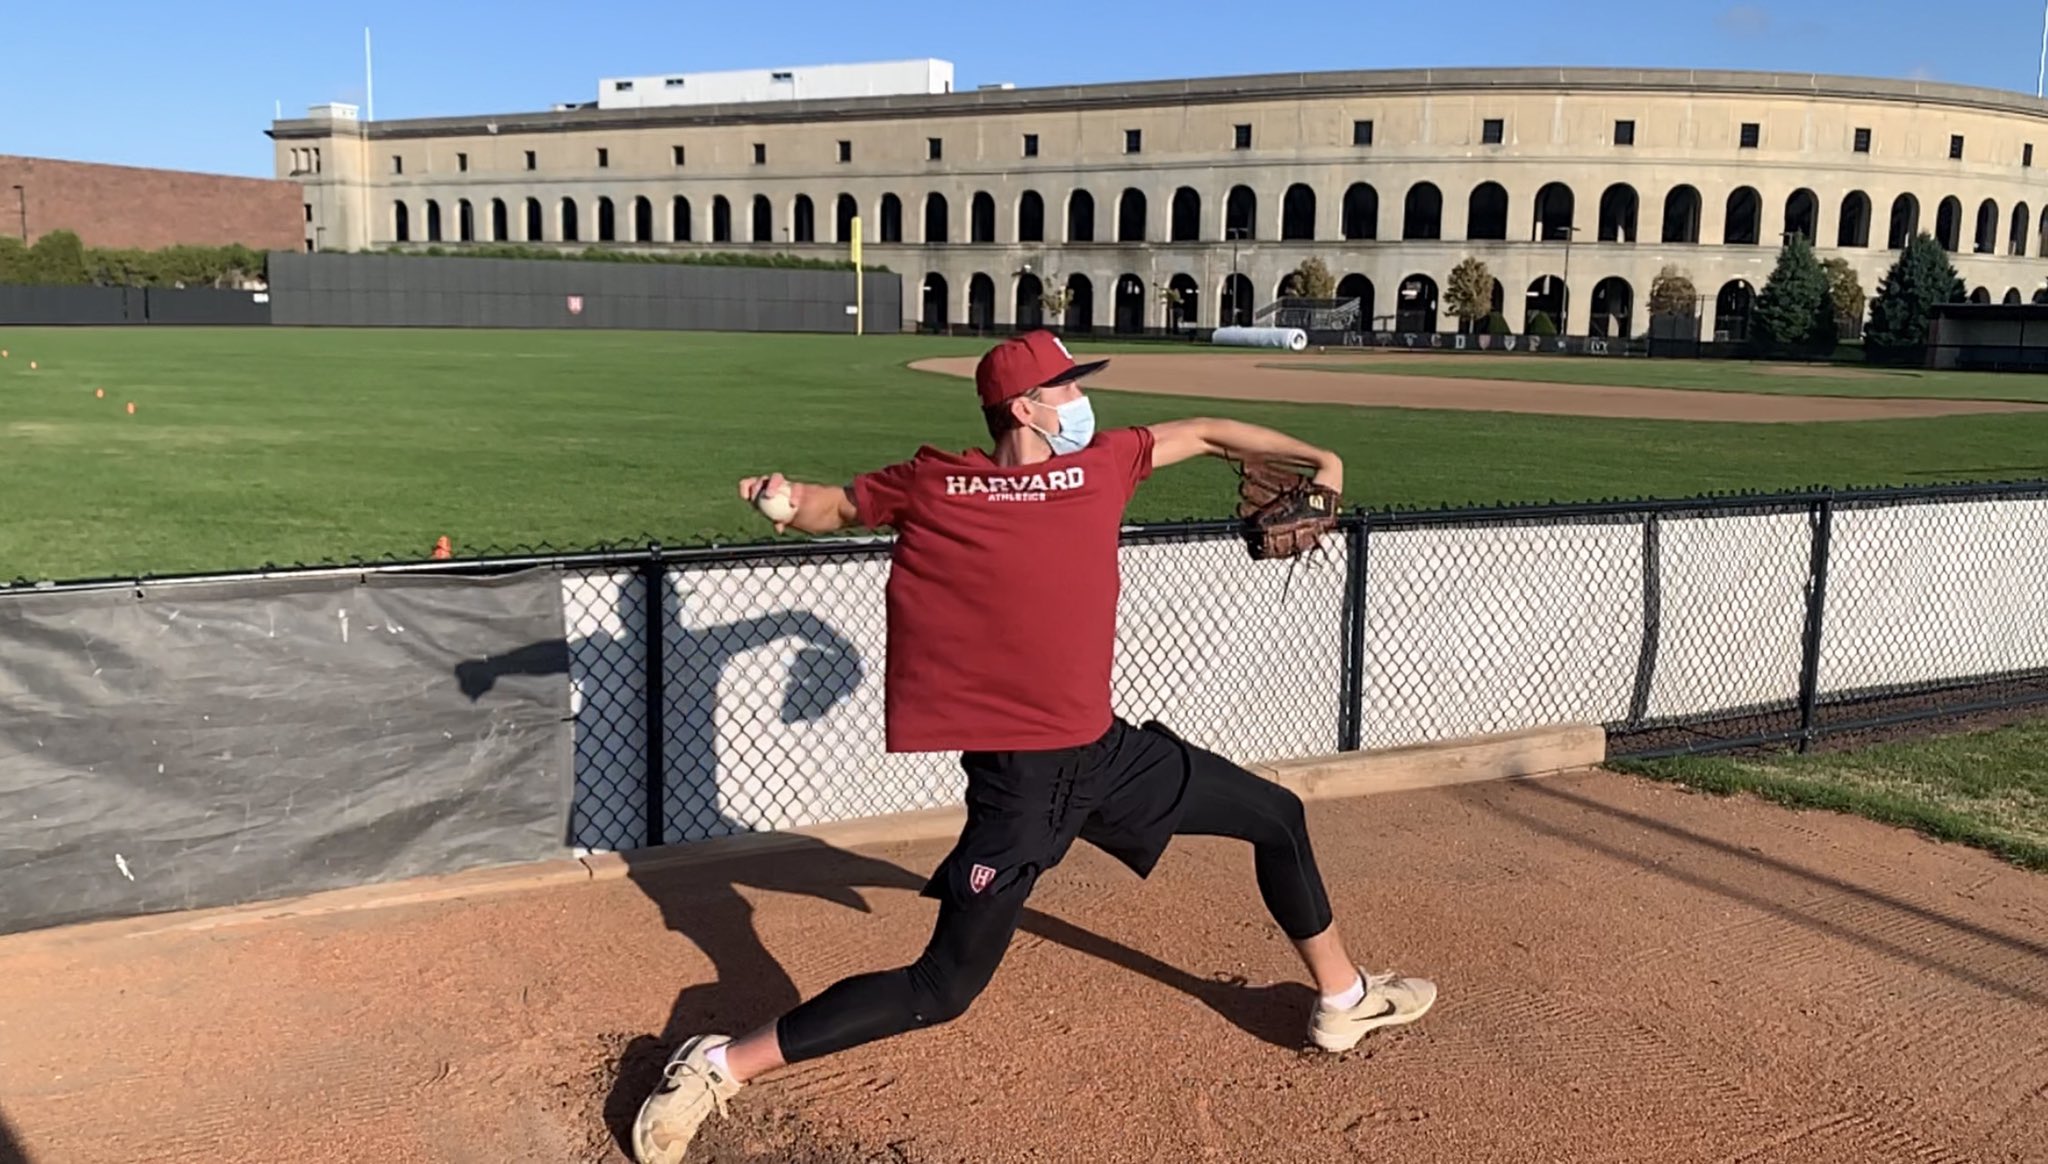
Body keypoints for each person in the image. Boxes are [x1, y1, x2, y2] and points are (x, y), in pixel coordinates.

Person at [631, 330, 1435, 1164]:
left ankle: (1344, 997)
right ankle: (717, 1064)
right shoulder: (942, 483)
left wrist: (1325, 459)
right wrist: (784, 499)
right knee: (942, 988)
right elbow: (833, 506)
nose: (1081, 401)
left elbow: (1208, 430)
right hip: (1019, 788)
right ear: (1025, 407)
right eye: (1065, 387)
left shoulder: (1100, 465)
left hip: (1105, 752)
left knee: (1276, 815)